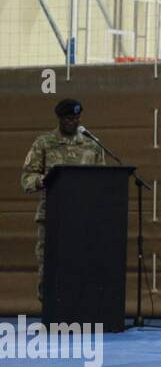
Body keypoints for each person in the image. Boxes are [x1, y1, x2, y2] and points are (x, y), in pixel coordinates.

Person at [20, 98, 105, 302]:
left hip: (83, 217)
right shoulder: (44, 143)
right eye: (68, 118)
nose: (72, 122)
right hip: (52, 216)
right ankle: (50, 307)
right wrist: (45, 180)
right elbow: (26, 179)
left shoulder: (92, 144)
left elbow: (102, 179)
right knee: (49, 262)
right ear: (59, 118)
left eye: (76, 118)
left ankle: (81, 307)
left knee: (83, 262)